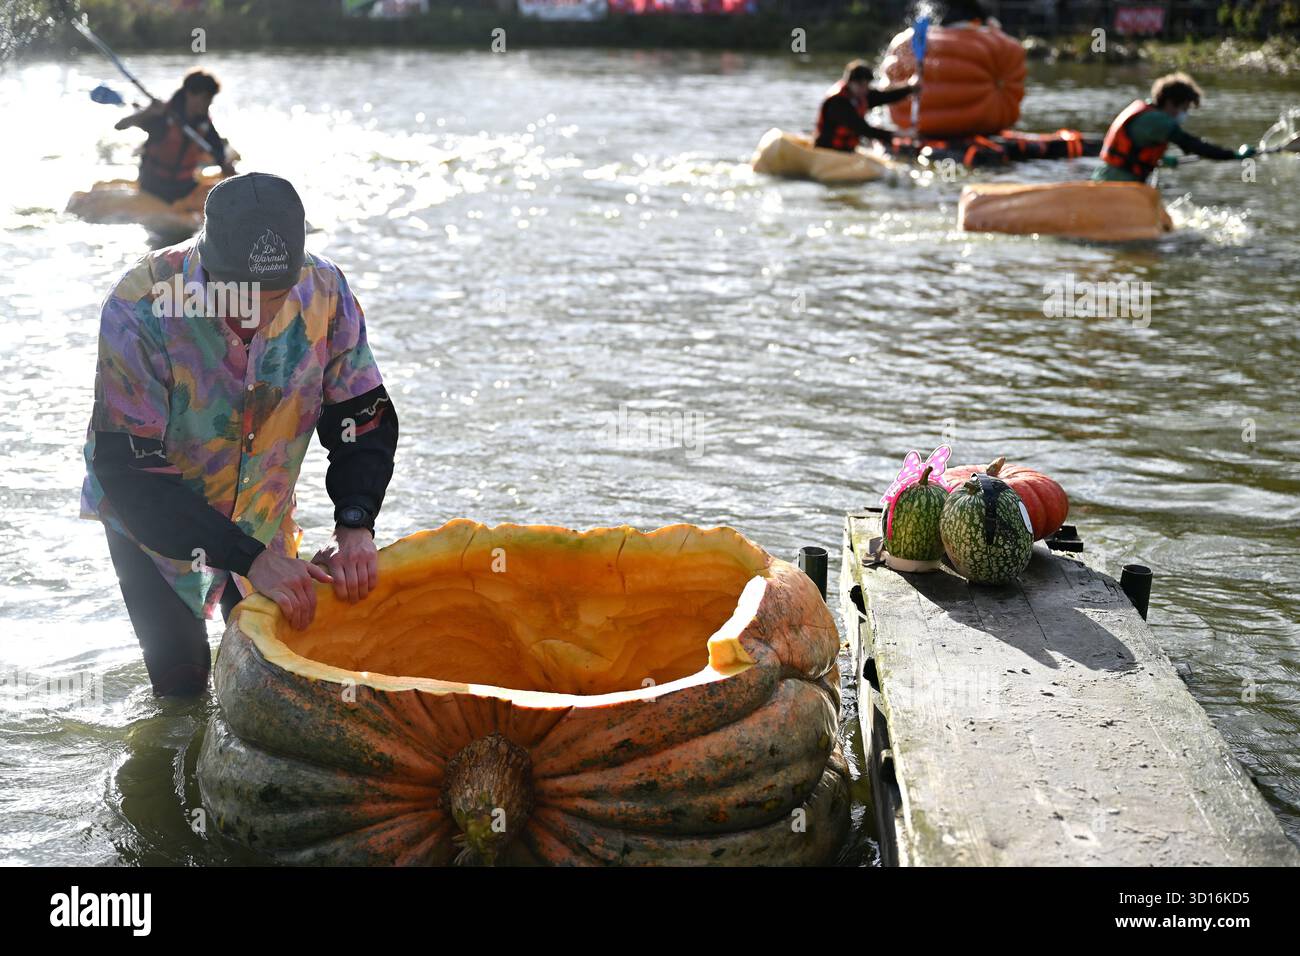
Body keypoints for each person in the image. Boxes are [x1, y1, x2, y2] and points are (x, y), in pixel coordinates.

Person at [81, 173, 399, 697]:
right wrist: (253, 561)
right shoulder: (141, 305)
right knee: (182, 680)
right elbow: (130, 471)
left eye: (276, 297)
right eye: (242, 297)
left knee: (271, 674)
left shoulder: (325, 292)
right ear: (209, 267)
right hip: (152, 518)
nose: (260, 314)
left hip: (262, 510)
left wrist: (355, 522)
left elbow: (362, 415)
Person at [1093, 72, 1256, 183]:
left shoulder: (1148, 114)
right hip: (1118, 185)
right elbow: (1194, 145)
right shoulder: (1160, 121)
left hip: (1105, 178)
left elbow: (1135, 152)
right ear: (1170, 103)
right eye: (1184, 109)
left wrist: (1162, 160)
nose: (1184, 115)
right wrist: (1233, 155)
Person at [115, 69, 236, 204]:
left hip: (185, 184)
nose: (208, 103)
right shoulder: (163, 116)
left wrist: (226, 166)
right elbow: (120, 126)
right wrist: (148, 113)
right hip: (153, 183)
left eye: (210, 99)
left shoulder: (203, 123)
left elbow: (218, 151)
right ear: (189, 94)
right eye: (205, 98)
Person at [814, 60, 920, 152]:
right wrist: (901, 134)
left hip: (846, 150)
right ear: (850, 83)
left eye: (867, 85)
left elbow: (885, 96)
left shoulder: (860, 95)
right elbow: (863, 129)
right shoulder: (838, 103)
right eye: (860, 85)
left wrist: (910, 88)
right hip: (828, 149)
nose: (864, 89)